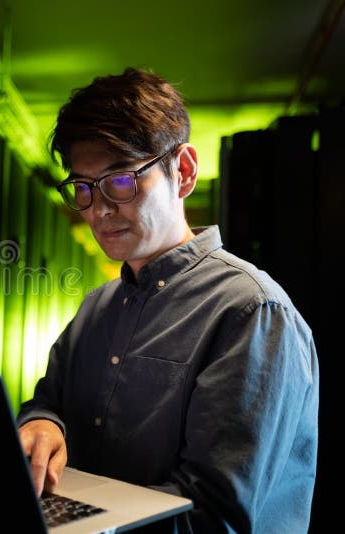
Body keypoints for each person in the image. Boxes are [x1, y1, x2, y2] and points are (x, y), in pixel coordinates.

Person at [16, 67, 319, 532]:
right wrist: (43, 424)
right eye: (83, 187)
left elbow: (212, 517)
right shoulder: (95, 308)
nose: (98, 210)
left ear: (183, 171)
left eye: (120, 181)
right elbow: (47, 402)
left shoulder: (251, 313)